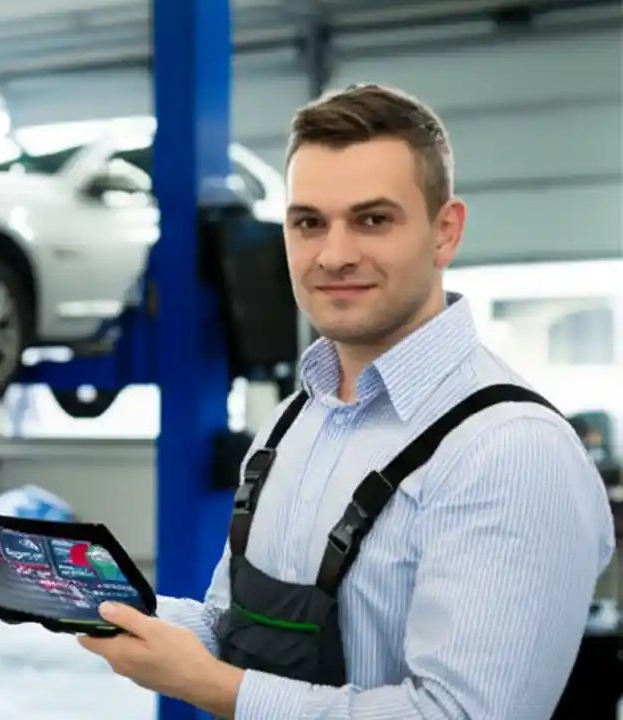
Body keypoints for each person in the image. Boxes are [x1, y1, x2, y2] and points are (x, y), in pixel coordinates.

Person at [77, 83, 617, 719]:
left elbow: (456, 715)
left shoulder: (509, 451)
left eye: (372, 220)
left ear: (445, 232)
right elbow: (235, 628)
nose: (333, 256)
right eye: (309, 223)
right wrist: (103, 603)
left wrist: (214, 688)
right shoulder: (293, 423)